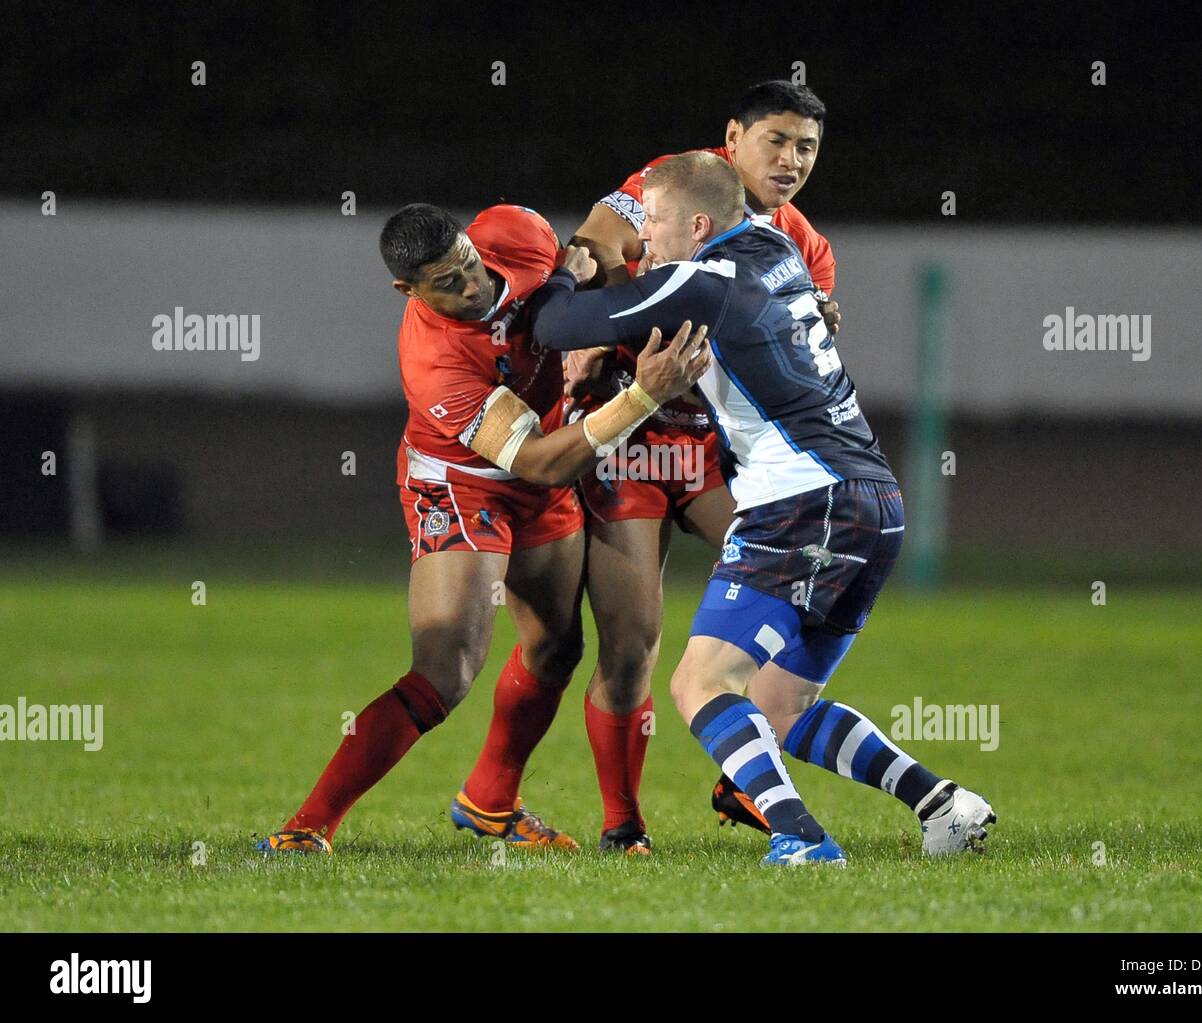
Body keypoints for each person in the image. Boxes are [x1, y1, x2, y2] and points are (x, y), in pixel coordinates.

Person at [530, 153, 996, 864]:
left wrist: (567, 267)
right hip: (875, 500)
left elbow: (558, 323)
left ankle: (801, 838)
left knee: (698, 681)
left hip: (804, 503)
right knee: (780, 706)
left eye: (651, 222)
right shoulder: (776, 248)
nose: (642, 240)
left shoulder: (701, 279)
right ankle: (944, 805)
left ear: (698, 224)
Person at [257, 202, 708, 854]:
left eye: (468, 265)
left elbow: (597, 246)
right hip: (465, 485)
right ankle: (306, 827)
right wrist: (642, 395)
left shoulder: (516, 231)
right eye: (445, 283)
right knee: (446, 668)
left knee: (556, 648)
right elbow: (537, 463)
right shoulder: (433, 359)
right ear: (406, 291)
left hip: (547, 462)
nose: (469, 287)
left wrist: (596, 309)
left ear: (475, 239)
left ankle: (491, 800)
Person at [545, 80, 841, 846]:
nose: (789, 160)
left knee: (813, 578)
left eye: (805, 146)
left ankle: (750, 769)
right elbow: (593, 241)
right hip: (635, 434)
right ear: (734, 136)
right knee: (634, 638)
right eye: (775, 140)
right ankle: (623, 825)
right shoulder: (670, 182)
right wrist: (582, 309)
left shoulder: (802, 239)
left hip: (718, 454)